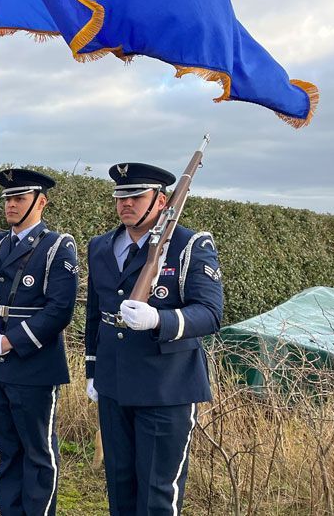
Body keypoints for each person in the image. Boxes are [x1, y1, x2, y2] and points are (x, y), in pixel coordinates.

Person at [84, 162, 224, 515]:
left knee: (157, 492)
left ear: (161, 201)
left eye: (135, 196)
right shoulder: (101, 246)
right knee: (120, 485)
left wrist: (158, 319)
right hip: (114, 384)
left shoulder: (189, 244)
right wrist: (92, 369)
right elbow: (95, 313)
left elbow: (210, 313)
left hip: (166, 387)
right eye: (120, 197)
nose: (125, 204)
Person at [0, 168, 78, 516]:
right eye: (7, 198)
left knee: (38, 452)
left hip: (32, 362)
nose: (10, 204)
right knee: (8, 451)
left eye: (19, 198)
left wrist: (10, 342)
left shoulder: (57, 246)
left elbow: (59, 310)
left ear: (41, 202)